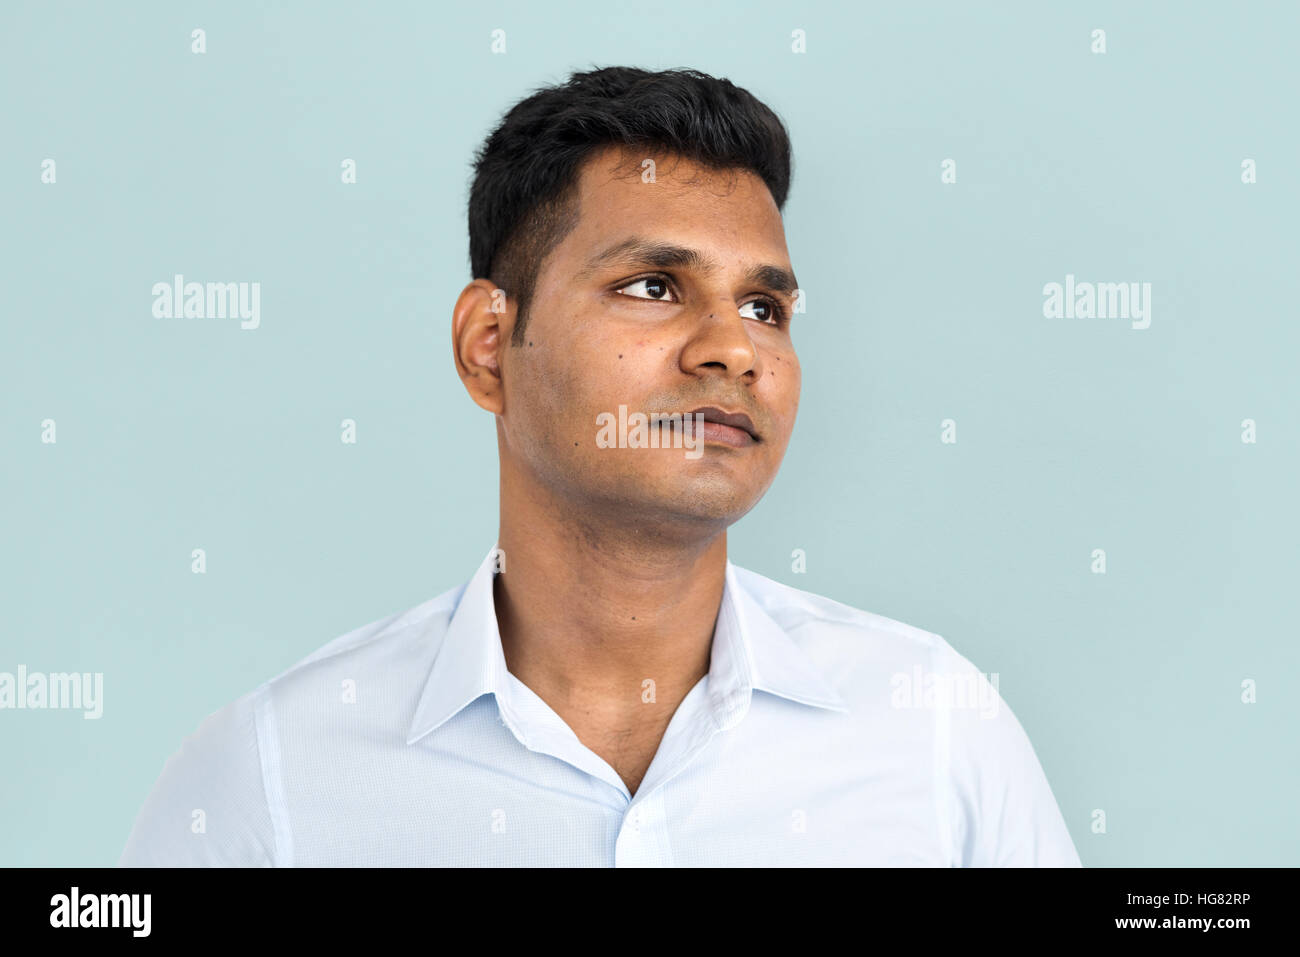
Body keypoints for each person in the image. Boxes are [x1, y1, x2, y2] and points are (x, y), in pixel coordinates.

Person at [120, 66, 1080, 866]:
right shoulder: (272, 775)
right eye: (654, 286)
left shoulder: (933, 728)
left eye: (764, 307)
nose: (733, 350)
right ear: (489, 344)